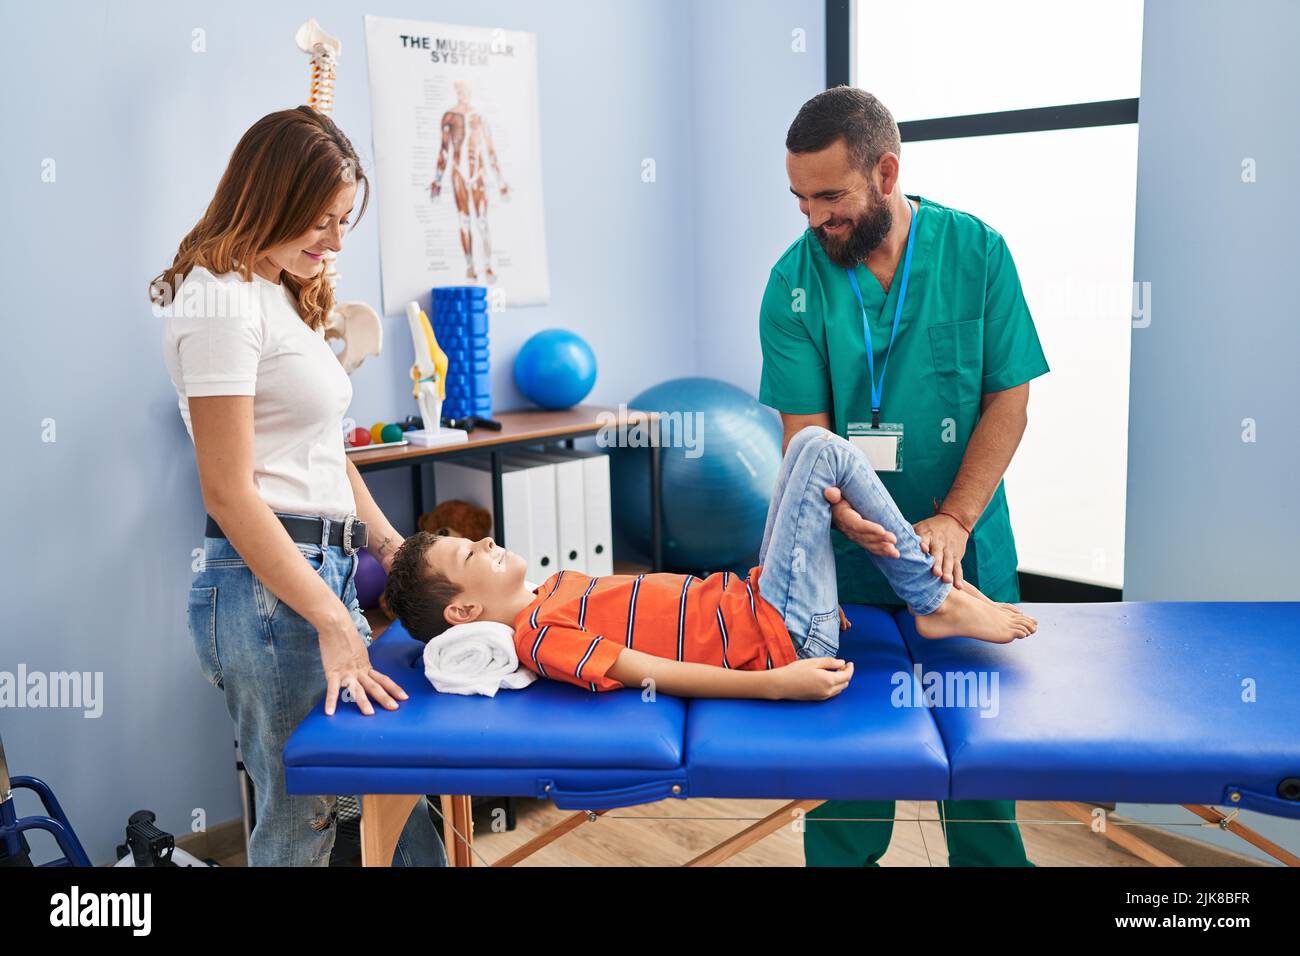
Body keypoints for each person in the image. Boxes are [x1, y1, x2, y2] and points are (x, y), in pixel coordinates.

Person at [759, 87, 1051, 865]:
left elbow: (1008, 403)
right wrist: (852, 519)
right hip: (849, 565)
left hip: (968, 556)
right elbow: (806, 444)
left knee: (984, 785)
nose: (814, 218)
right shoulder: (794, 285)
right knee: (849, 789)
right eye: (800, 199)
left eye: (831, 196)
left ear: (885, 172)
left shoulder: (976, 253)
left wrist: (953, 518)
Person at [153, 106, 446, 867]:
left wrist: (390, 543)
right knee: (304, 819)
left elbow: (323, 452)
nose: (335, 241)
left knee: (389, 793)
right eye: (320, 220)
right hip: (266, 589)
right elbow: (228, 491)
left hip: (322, 571)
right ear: (270, 197)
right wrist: (331, 619)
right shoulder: (218, 300)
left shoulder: (278, 291)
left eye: (344, 221)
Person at [381, 425, 1037, 698]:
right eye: (472, 552)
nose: (488, 541)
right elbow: (654, 673)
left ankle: (935, 599)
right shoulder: (541, 636)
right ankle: (934, 601)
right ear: (464, 609)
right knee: (821, 451)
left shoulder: (552, 590)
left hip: (758, 601)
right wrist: (774, 685)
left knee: (811, 444)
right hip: (777, 636)